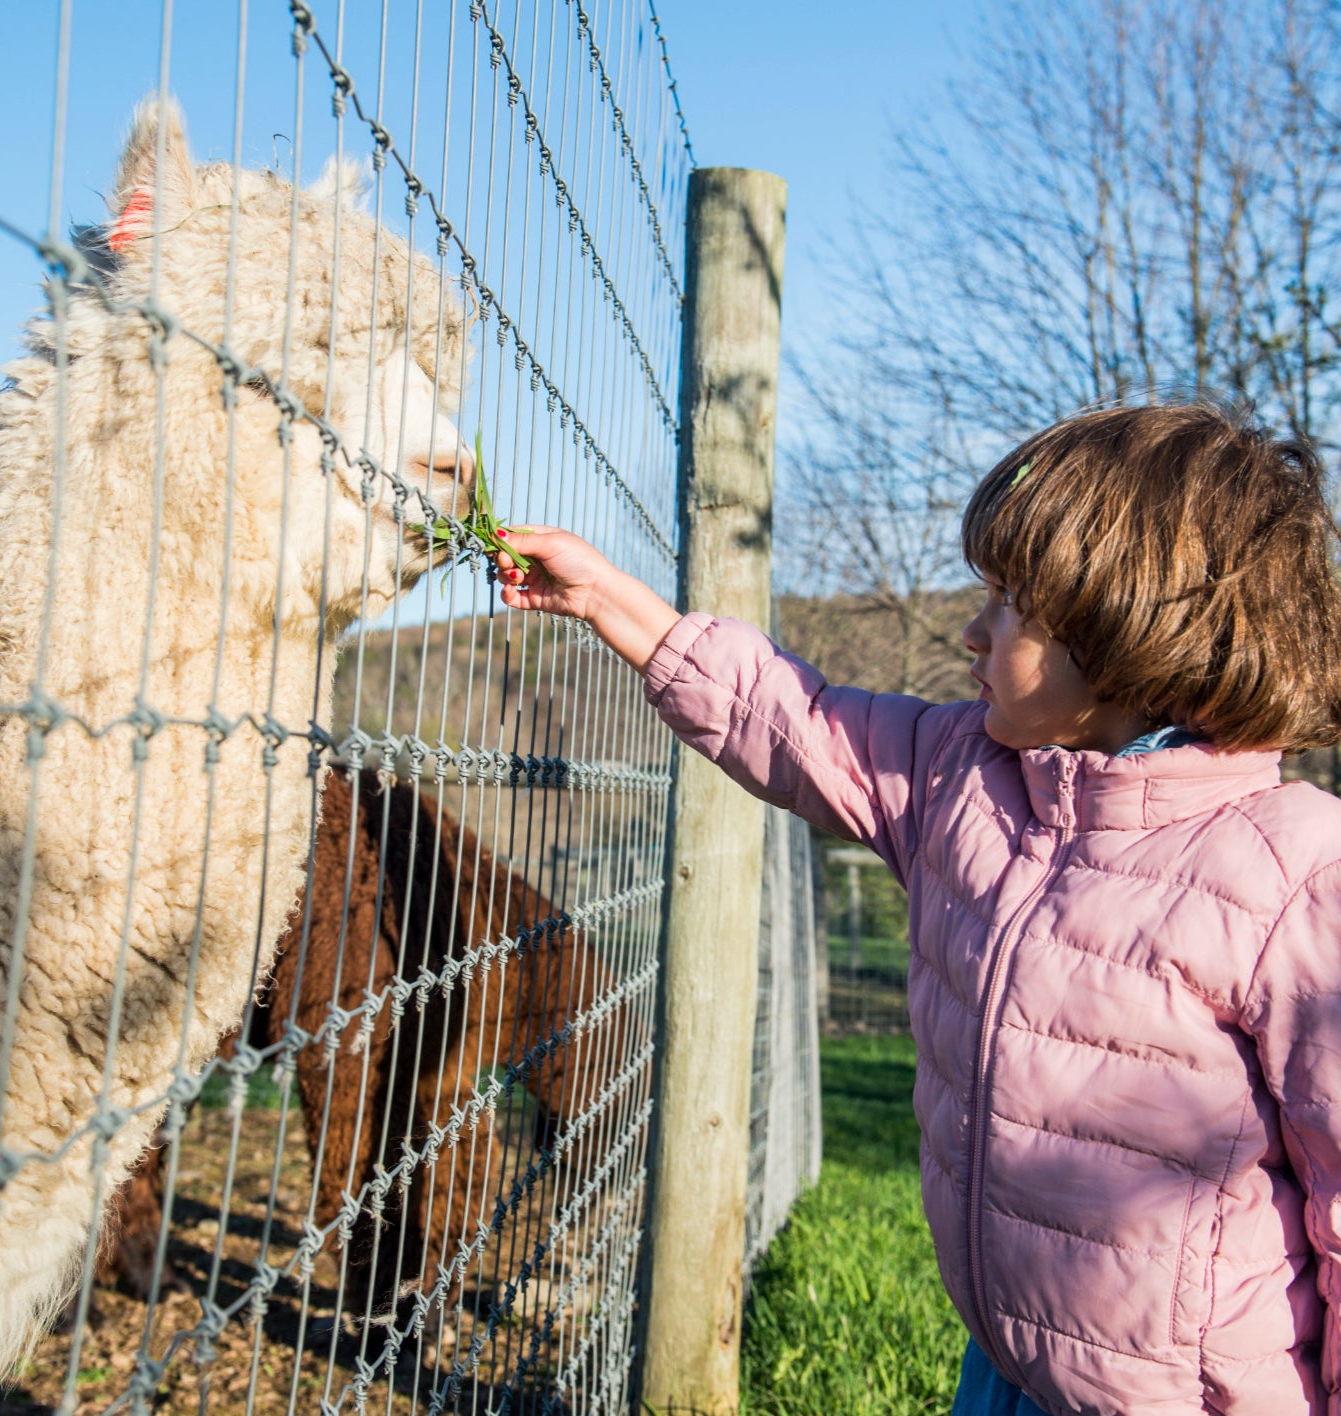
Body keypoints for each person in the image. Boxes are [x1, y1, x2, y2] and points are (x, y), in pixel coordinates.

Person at [491, 402, 1341, 1415]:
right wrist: (607, 600)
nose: (973, 630)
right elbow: (791, 718)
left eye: (1011, 604)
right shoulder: (965, 778)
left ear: (1130, 631)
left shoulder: (1293, 872)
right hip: (1005, 1362)